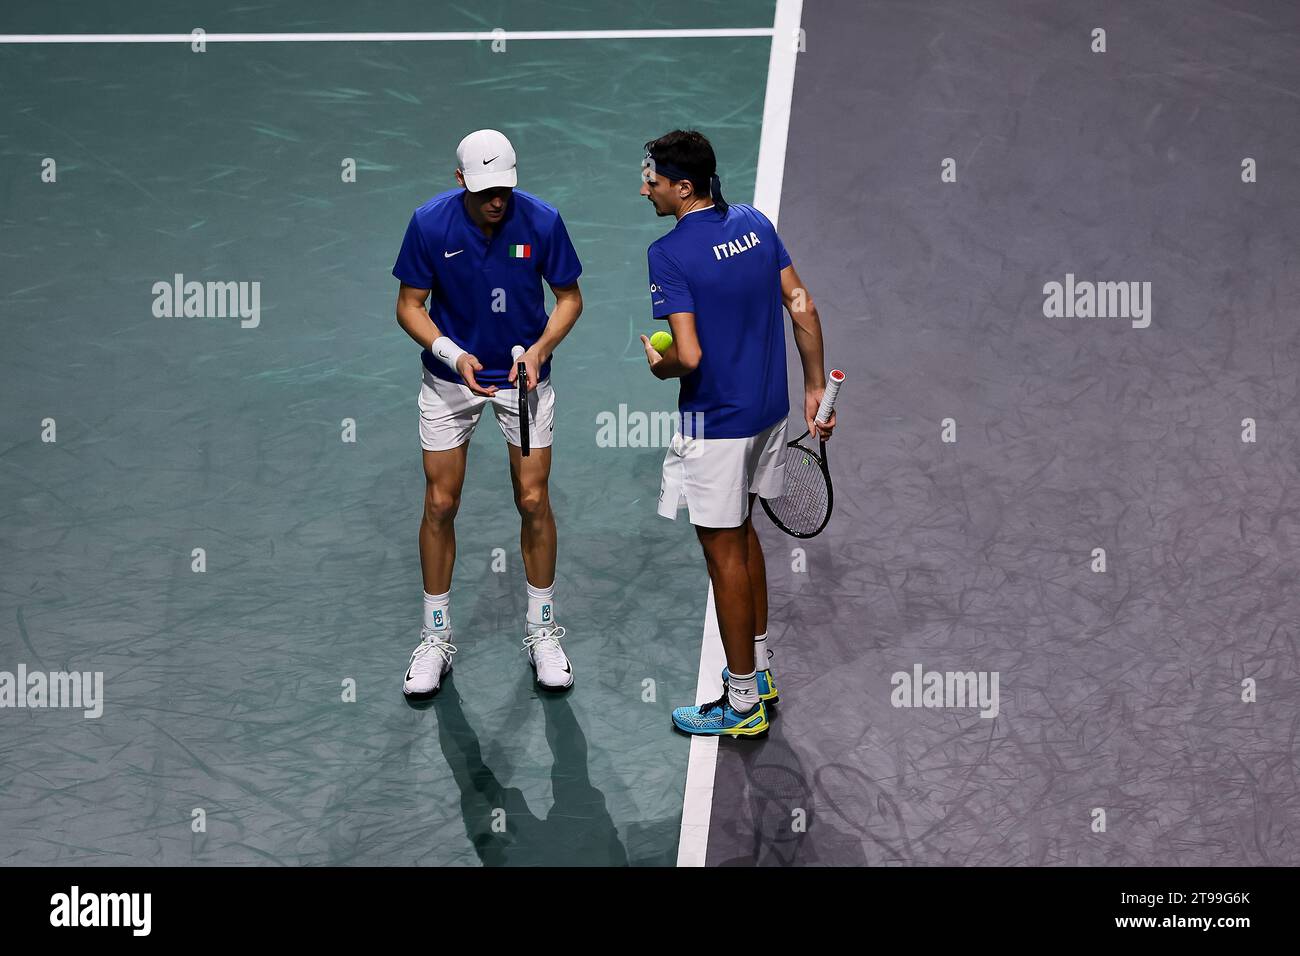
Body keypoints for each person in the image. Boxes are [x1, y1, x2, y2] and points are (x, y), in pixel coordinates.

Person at [638, 129, 835, 736]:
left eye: (653, 179)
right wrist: (813, 386)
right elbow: (800, 302)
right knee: (744, 533)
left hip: (713, 423)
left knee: (722, 553)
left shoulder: (667, 254)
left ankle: (743, 701)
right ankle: (761, 666)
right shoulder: (755, 223)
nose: (644, 188)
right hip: (768, 413)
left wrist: (658, 361)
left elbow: (689, 356)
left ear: (684, 187)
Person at [392, 129, 583, 697]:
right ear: (460, 181)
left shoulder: (543, 222)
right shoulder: (430, 224)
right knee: (440, 502)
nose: (496, 200)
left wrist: (541, 351)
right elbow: (410, 306)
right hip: (452, 381)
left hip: (525, 381)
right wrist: (453, 354)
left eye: (504, 188)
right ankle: (435, 638)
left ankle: (543, 631)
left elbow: (568, 297)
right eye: (484, 190)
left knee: (532, 499)